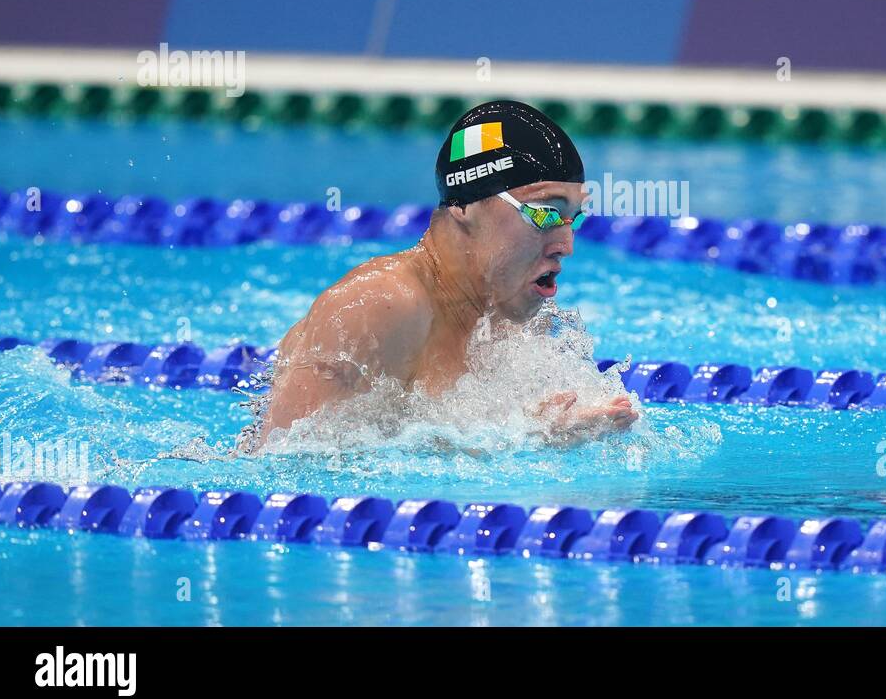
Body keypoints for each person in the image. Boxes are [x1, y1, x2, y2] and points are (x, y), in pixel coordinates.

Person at [253, 100, 638, 447]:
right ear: (465, 205)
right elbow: (282, 466)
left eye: (574, 217)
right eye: (544, 213)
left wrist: (541, 432)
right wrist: (521, 440)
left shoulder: (508, 323)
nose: (566, 244)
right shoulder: (378, 306)